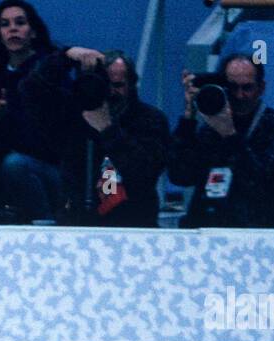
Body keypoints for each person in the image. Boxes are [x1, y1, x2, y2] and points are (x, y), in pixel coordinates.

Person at [0, 2, 77, 221]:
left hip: (50, 173)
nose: (12, 29)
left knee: (15, 164)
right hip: (7, 169)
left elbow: (55, 144)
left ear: (32, 32)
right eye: (5, 24)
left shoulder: (50, 75)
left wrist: (13, 119)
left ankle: (44, 227)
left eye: (20, 23)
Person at [25, 49, 171, 227]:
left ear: (132, 85)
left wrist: (107, 129)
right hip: (76, 223)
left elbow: (145, 173)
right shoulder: (71, 114)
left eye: (117, 85)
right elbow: (31, 90)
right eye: (104, 84)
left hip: (133, 225)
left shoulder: (150, 119)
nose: (109, 93)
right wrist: (65, 56)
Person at [168, 54, 274, 228]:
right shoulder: (211, 127)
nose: (239, 95)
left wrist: (229, 135)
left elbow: (262, 182)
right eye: (233, 87)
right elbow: (180, 176)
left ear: (261, 88)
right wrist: (189, 118)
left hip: (260, 233)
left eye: (247, 88)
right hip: (209, 230)